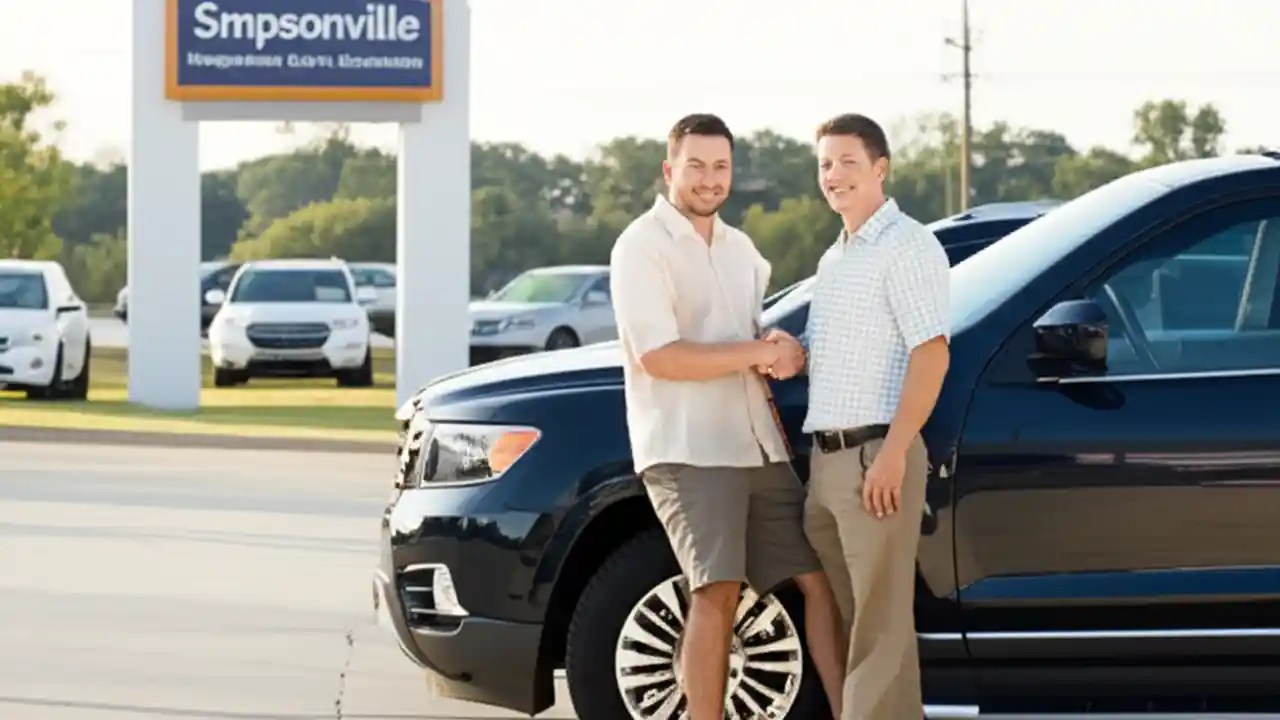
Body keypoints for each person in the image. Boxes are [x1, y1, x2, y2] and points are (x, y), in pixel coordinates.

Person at [609, 112, 846, 720]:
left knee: (820, 582)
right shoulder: (641, 247)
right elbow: (658, 357)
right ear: (670, 170)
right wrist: (759, 351)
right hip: (688, 449)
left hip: (757, 445)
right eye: (696, 166)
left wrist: (782, 349)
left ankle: (854, 712)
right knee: (716, 589)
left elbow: (751, 335)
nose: (709, 179)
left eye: (721, 167)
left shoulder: (743, 250)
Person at [783, 113, 951, 719]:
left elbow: (931, 354)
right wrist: (783, 356)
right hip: (827, 464)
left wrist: (892, 454)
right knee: (861, 628)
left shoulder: (906, 244)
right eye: (824, 164)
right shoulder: (835, 259)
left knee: (879, 631)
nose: (833, 175)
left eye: (847, 162)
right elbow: (834, 361)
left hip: (876, 457)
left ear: (880, 168)